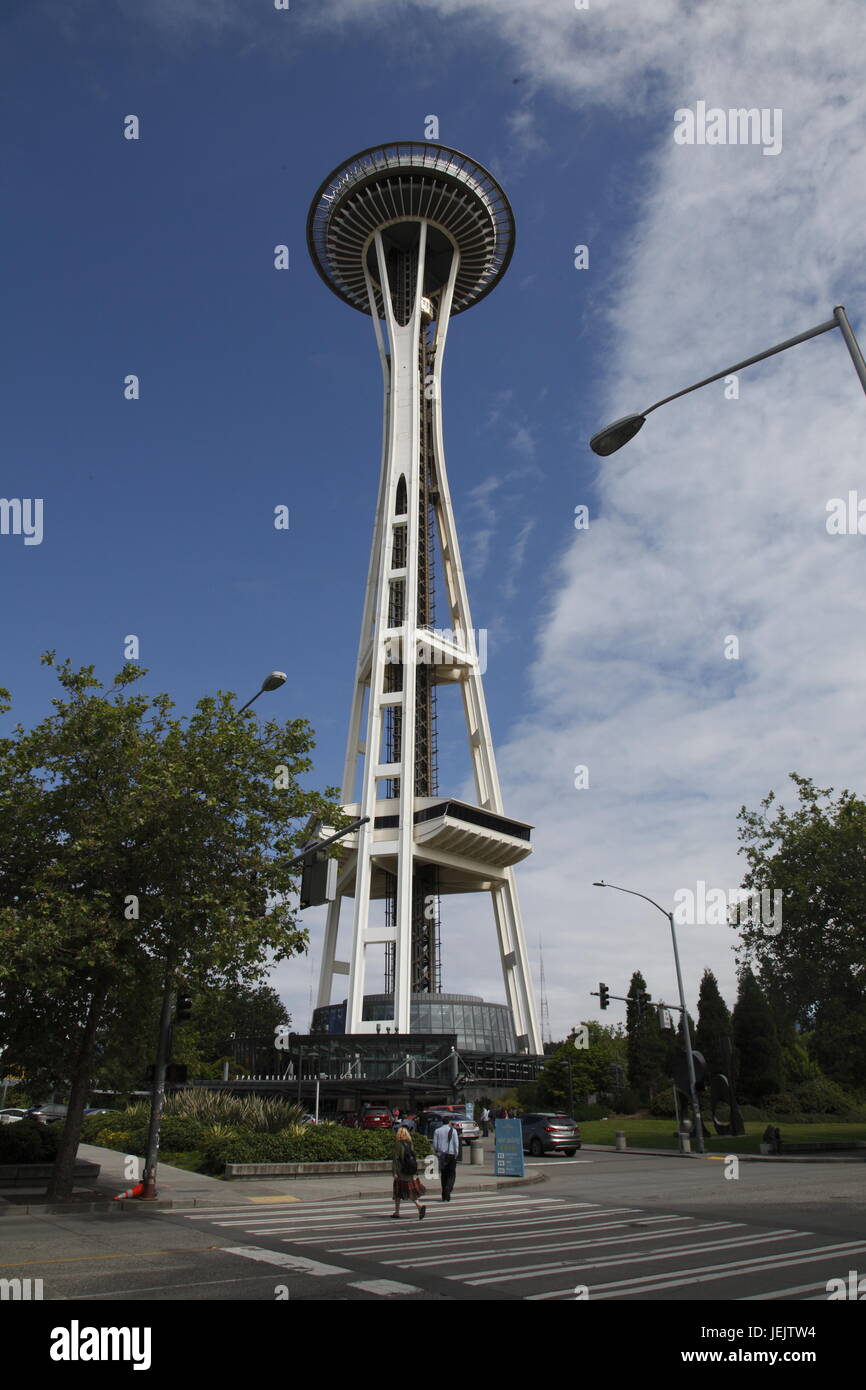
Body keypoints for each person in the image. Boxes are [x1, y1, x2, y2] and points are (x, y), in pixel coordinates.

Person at [392, 1126, 426, 1220]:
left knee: (398, 1191)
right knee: (408, 1191)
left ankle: (419, 1206)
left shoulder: (398, 1144)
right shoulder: (410, 1143)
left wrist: (394, 1172)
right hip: (410, 1171)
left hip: (401, 1172)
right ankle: (397, 1211)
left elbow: (395, 1159)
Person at [433, 1115, 460, 1201]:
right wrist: (456, 1153)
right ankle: (448, 1188)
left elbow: (435, 1144)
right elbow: (456, 1144)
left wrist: (437, 1152)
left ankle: (444, 1193)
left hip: (442, 1155)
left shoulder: (437, 1131)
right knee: (451, 1174)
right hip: (451, 1154)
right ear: (449, 1122)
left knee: (443, 1174)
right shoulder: (453, 1131)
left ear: (442, 1122)